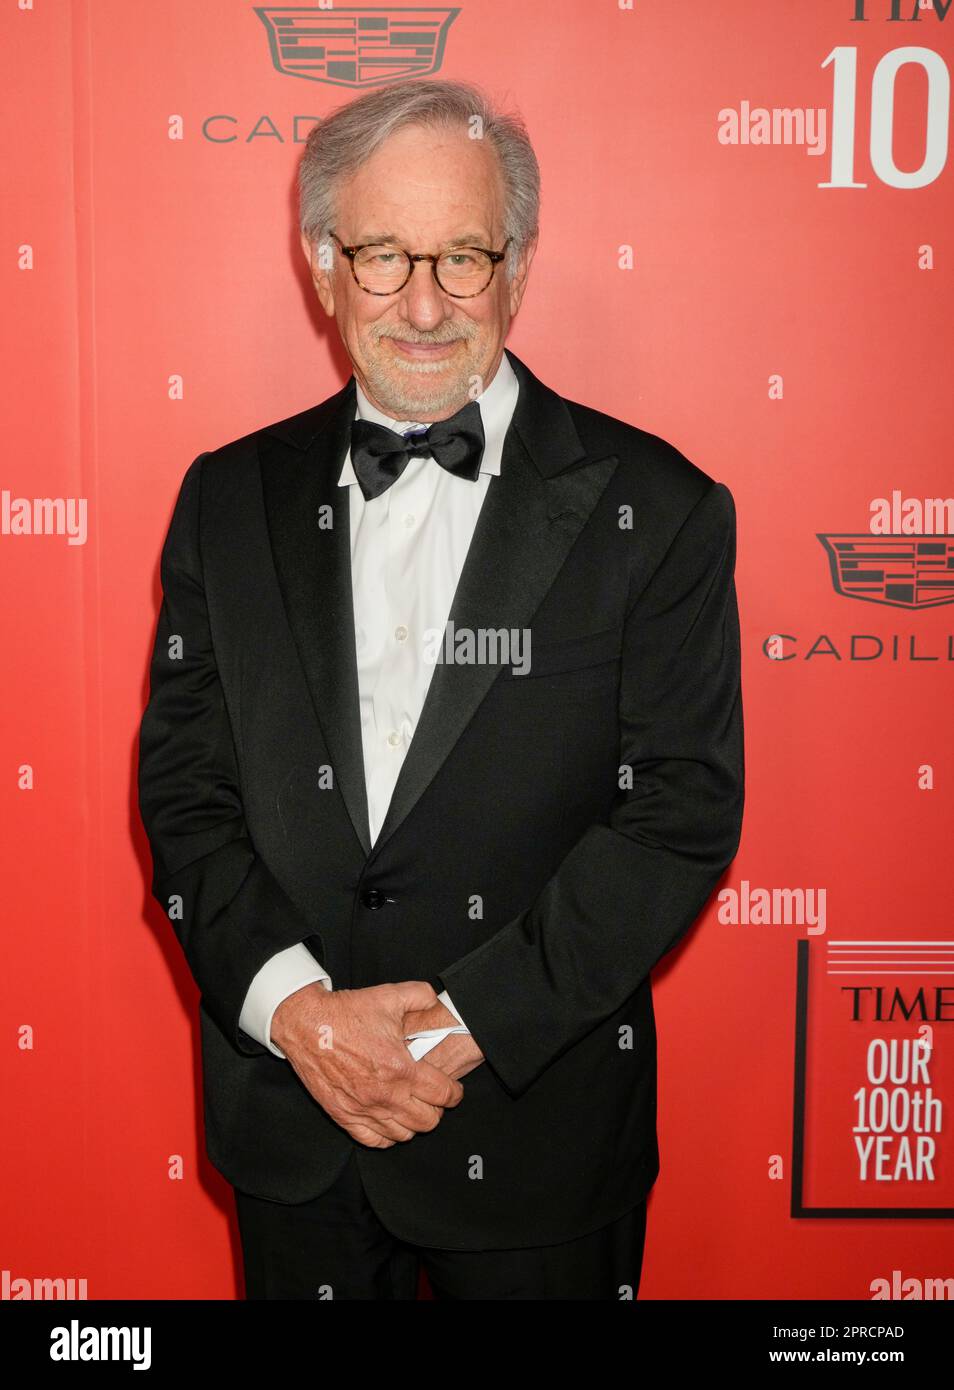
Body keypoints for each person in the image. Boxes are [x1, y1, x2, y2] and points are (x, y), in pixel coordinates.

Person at [137, 77, 745, 1300]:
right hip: (293, 1132)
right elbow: (185, 791)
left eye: (462, 256)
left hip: (538, 1143)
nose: (423, 303)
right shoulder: (225, 499)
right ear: (322, 265)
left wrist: (456, 1027)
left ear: (517, 266)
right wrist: (302, 1015)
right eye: (381, 255)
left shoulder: (660, 511)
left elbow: (677, 811)